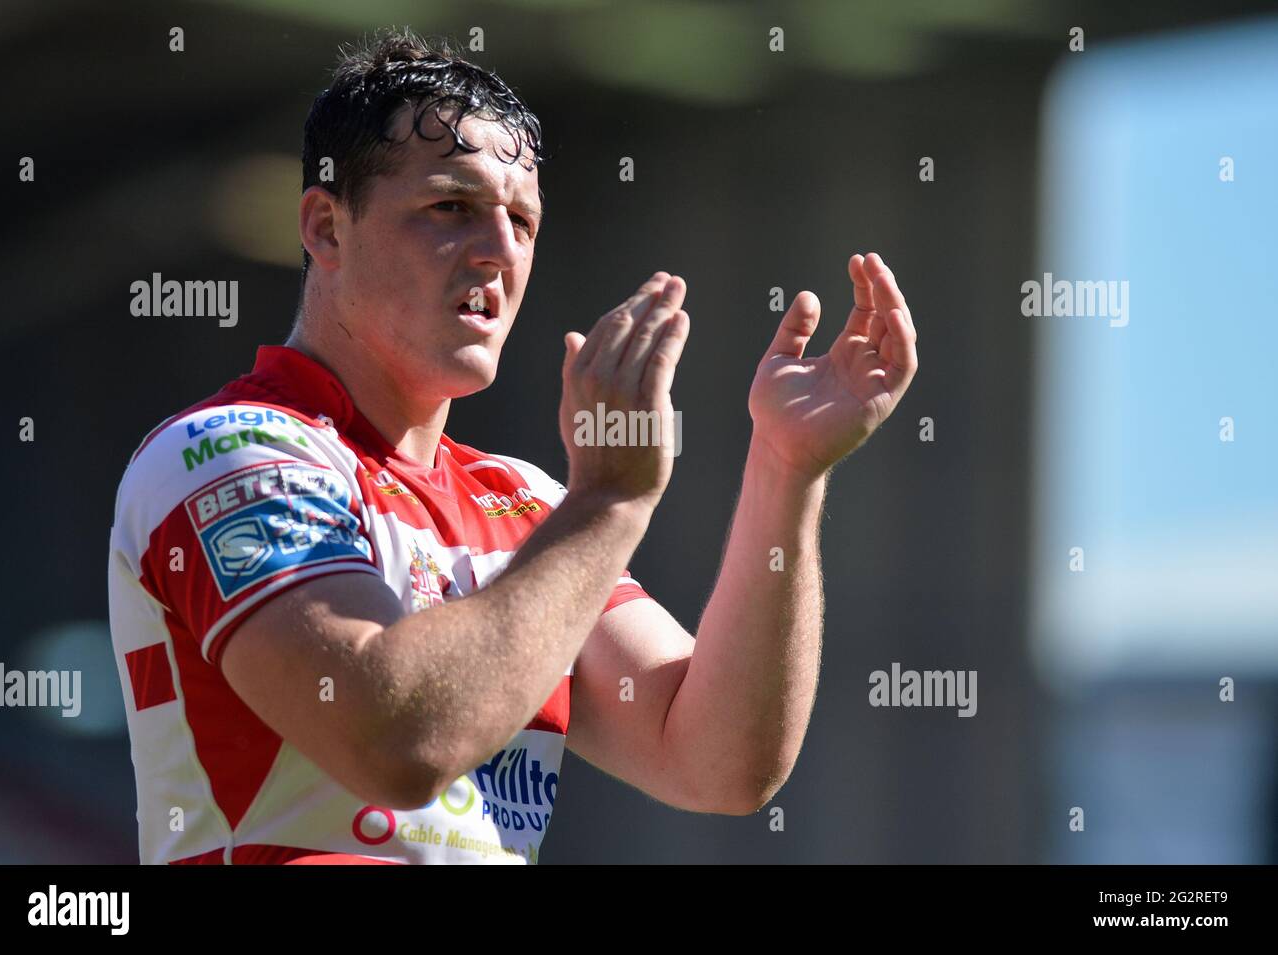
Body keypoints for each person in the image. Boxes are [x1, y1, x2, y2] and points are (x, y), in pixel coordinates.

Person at [107, 29, 918, 864]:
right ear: (326, 227)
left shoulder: (526, 503)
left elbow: (718, 761)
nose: (499, 250)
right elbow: (398, 741)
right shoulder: (227, 451)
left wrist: (788, 470)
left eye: (522, 220)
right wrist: (609, 502)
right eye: (451, 207)